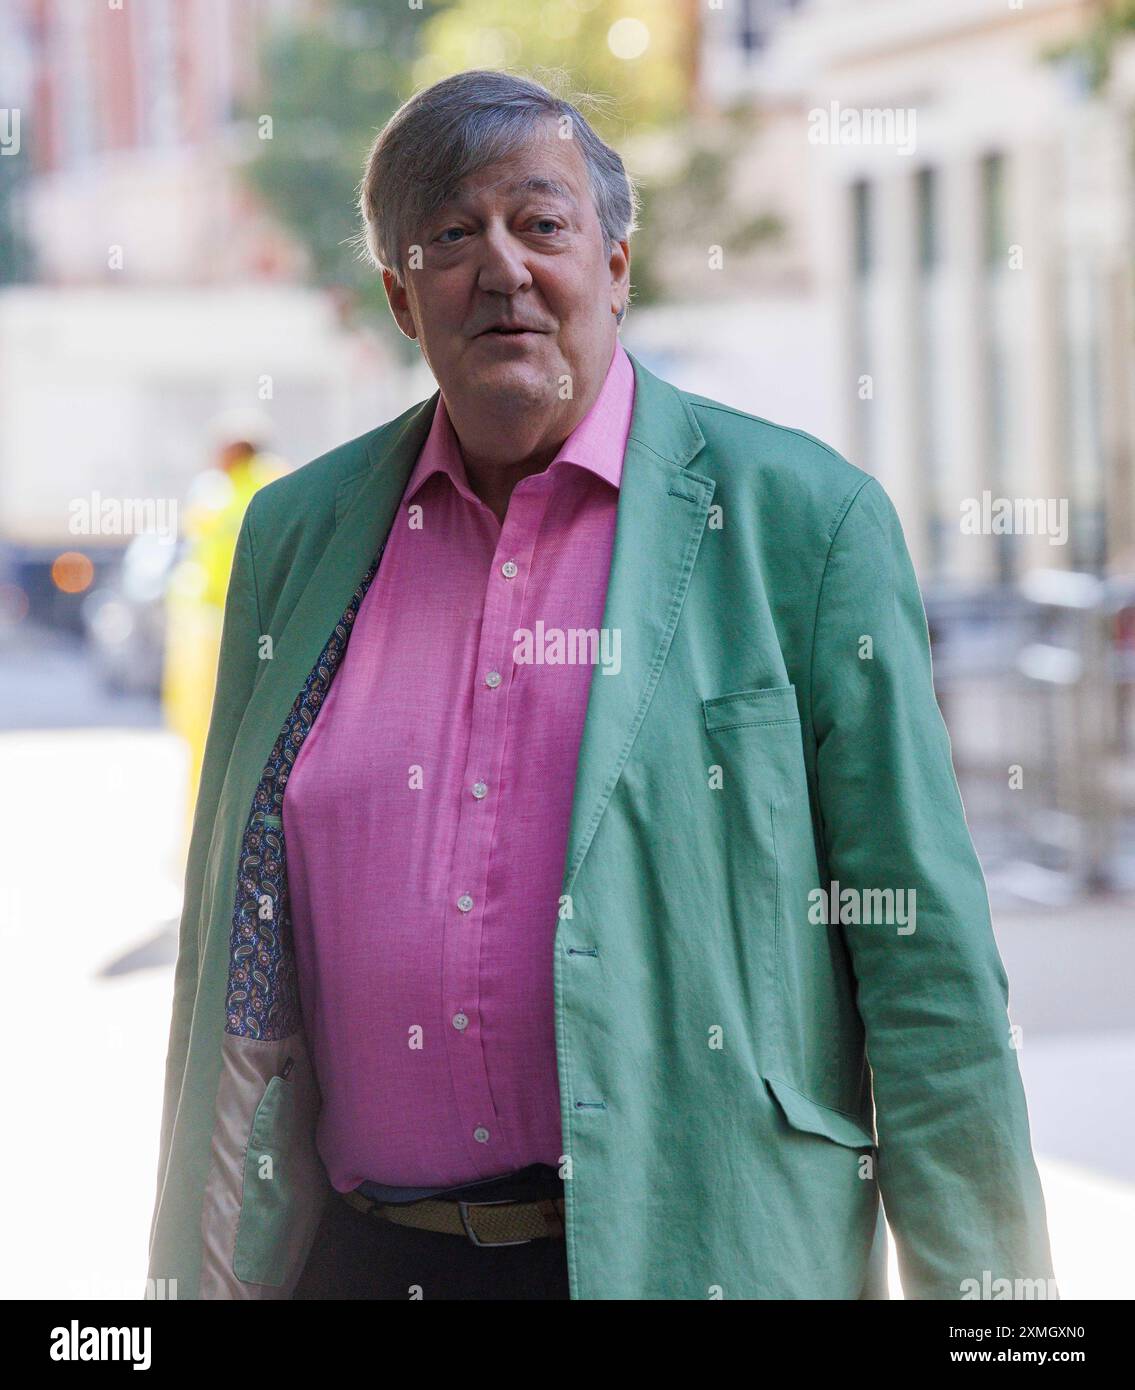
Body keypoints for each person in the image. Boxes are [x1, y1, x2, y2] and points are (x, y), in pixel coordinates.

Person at [148, 69, 1056, 1301]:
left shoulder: (802, 523)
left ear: (616, 264)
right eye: (453, 236)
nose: (503, 268)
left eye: (541, 222)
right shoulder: (298, 538)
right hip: (364, 1258)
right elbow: (230, 971)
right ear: (400, 299)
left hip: (700, 1251)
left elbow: (928, 975)